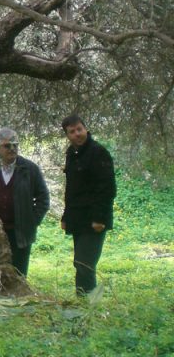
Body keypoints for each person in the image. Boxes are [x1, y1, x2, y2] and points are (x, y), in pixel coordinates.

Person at [0, 128, 50, 277]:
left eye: (15, 145)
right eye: (7, 146)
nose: (12, 149)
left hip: (20, 233)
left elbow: (43, 198)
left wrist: (32, 220)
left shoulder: (30, 169)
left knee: (18, 275)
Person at [60, 114, 116, 296]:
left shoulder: (98, 152)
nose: (77, 134)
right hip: (78, 217)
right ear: (67, 135)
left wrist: (99, 218)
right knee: (80, 263)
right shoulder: (72, 154)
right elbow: (71, 189)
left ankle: (90, 302)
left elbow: (107, 188)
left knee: (85, 263)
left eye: (79, 129)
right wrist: (66, 216)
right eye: (72, 131)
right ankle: (82, 301)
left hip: (95, 219)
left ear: (86, 129)